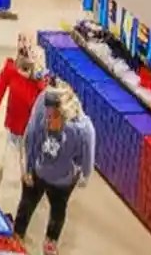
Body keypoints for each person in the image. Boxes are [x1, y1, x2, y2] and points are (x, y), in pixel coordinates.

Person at [13, 89, 96, 255]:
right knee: (27, 203)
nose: (48, 121)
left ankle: (51, 242)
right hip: (39, 170)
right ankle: (17, 235)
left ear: (64, 117)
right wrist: (28, 168)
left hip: (63, 179)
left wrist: (84, 173)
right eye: (48, 116)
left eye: (53, 118)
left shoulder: (81, 131)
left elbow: (87, 156)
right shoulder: (42, 110)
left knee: (58, 210)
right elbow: (31, 138)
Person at [0, 40, 48, 209]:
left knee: (30, 167)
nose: (22, 71)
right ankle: (2, 198)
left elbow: (48, 106)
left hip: (33, 132)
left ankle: (29, 197)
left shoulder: (41, 82)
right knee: (10, 163)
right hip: (15, 127)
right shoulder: (11, 70)